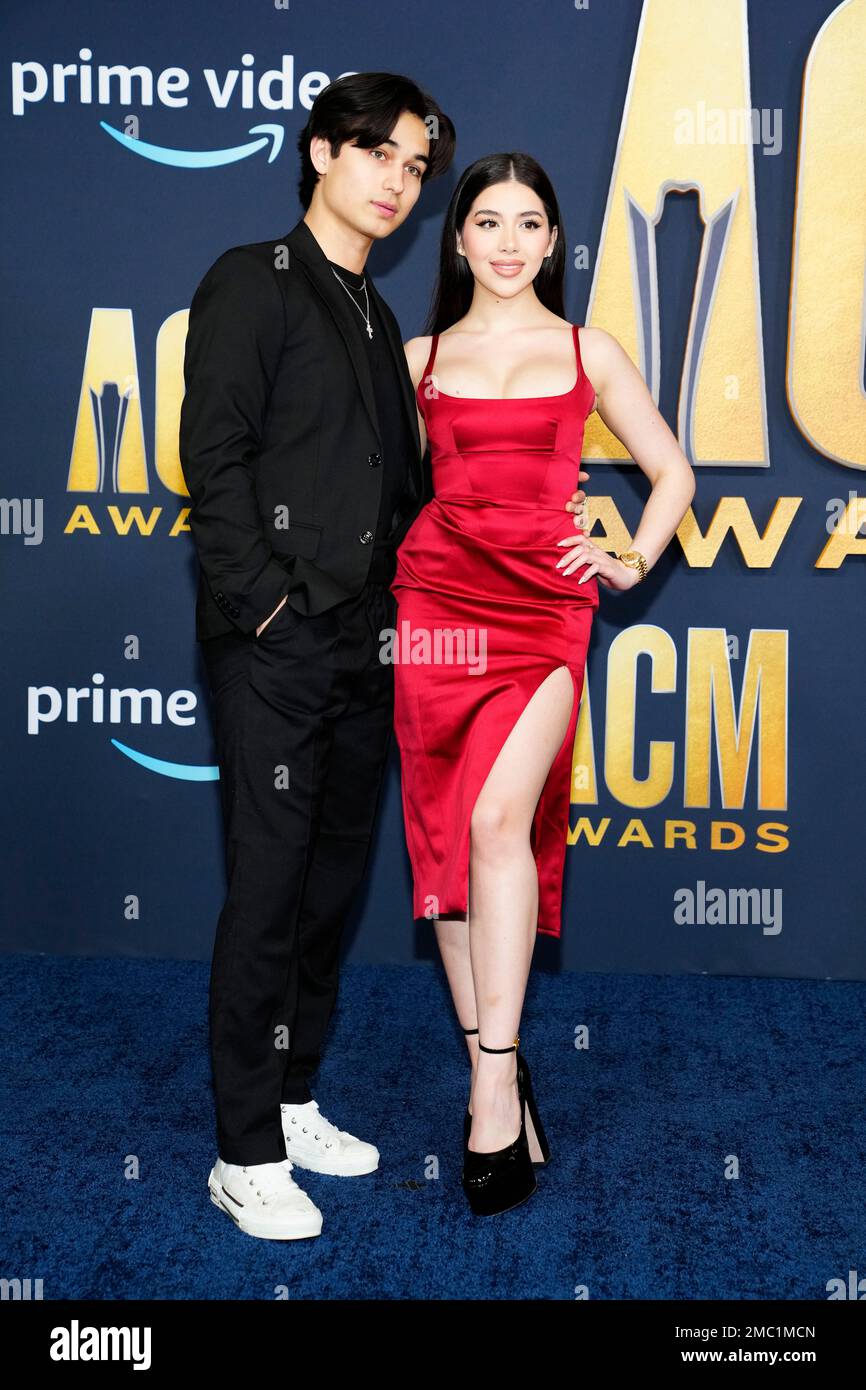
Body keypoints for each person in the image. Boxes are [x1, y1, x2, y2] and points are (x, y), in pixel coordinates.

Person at [179, 74, 588, 1241]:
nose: (397, 183)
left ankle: (295, 1092)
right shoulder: (247, 283)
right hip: (277, 648)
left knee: (328, 890)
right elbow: (214, 464)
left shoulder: (373, 319)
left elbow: (417, 493)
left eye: (415, 169)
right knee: (266, 892)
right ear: (320, 153)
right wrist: (264, 614)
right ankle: (243, 1150)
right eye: (380, 157)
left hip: (372, 651)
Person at [392, 152, 696, 1216]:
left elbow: (671, 471)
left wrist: (625, 559)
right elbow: (366, 478)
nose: (510, 240)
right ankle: (503, 1066)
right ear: (459, 239)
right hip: (435, 607)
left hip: (542, 614)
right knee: (445, 836)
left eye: (529, 222)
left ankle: (488, 1074)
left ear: (552, 242)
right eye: (488, 220)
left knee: (496, 819)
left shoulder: (585, 348)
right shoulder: (416, 353)